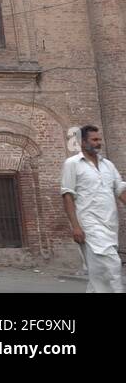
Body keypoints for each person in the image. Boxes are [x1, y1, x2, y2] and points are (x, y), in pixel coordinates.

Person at [61, 125, 126, 293]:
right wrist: (75, 226)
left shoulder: (108, 165)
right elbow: (67, 195)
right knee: (112, 267)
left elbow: (120, 190)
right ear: (83, 142)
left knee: (98, 274)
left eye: (99, 140)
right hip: (89, 225)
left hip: (110, 225)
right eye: (94, 140)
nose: (99, 143)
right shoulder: (72, 164)